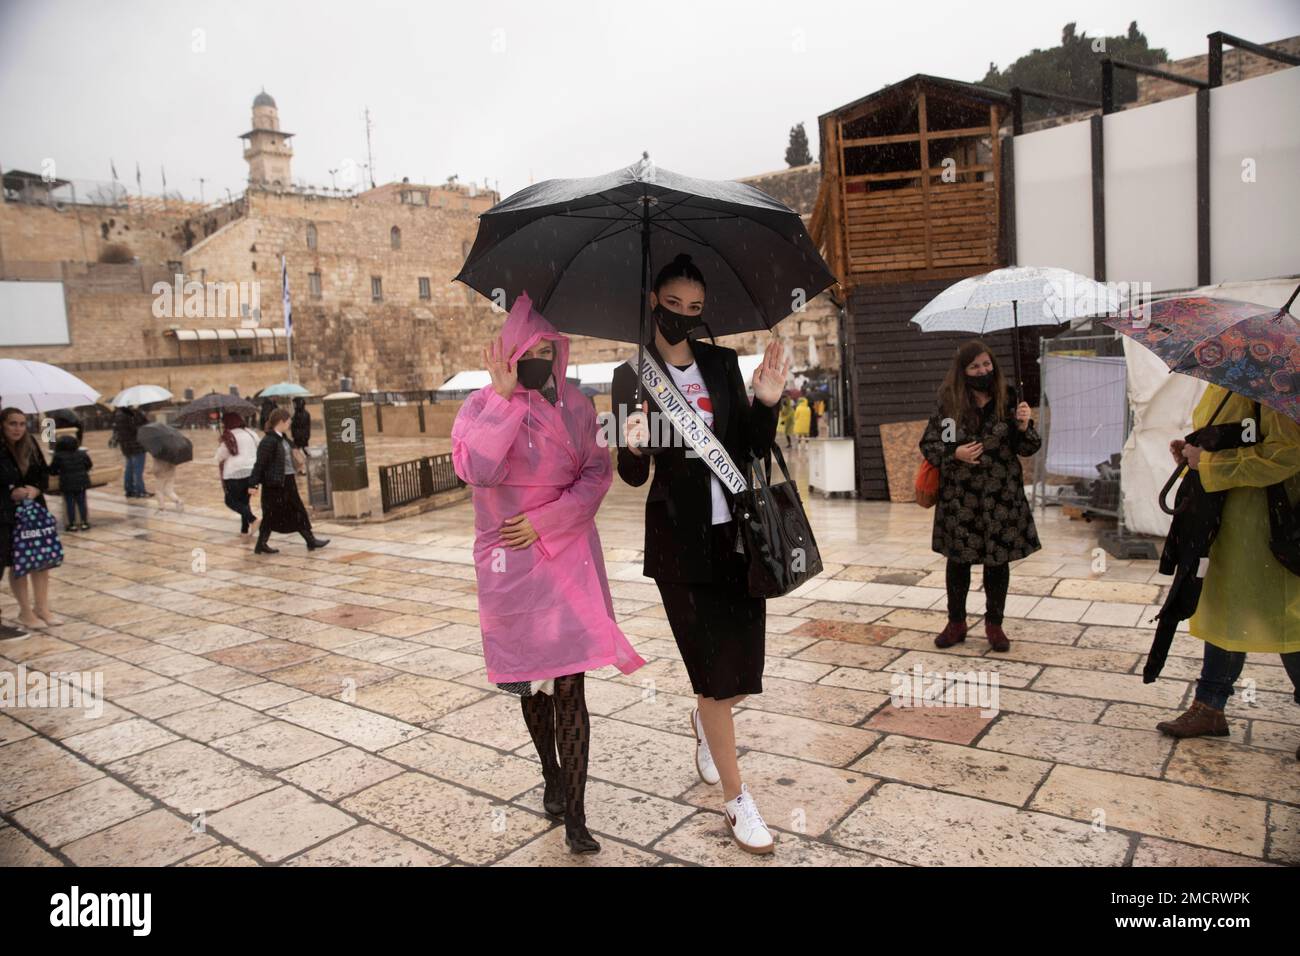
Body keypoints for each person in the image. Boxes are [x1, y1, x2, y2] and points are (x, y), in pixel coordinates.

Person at [452, 292, 644, 855]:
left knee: (570, 683)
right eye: (528, 350)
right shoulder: (478, 406)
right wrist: (506, 401)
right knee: (530, 683)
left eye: (547, 349)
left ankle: (577, 814)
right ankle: (550, 773)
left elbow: (597, 474)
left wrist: (546, 520)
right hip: (509, 568)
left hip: (565, 557)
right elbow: (479, 470)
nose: (539, 358)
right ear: (509, 353)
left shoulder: (579, 409)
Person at [611, 253, 789, 855]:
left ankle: (703, 724)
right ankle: (738, 802)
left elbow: (750, 450)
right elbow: (632, 475)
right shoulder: (629, 376)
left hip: (736, 538)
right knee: (716, 680)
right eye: (674, 306)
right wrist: (634, 446)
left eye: (696, 308)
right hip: (678, 548)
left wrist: (766, 402)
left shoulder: (721, 362)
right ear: (653, 302)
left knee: (744, 672)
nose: (685, 316)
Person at [1155, 384, 1300, 757]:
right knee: (1224, 607)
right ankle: (1210, 706)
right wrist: (1190, 453)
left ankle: (1210, 703)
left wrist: (1208, 463)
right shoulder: (1224, 383)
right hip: (1225, 522)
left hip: (1266, 526)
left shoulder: (1273, 389)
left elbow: (1287, 453)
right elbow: (1226, 439)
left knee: (1285, 619)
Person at [920, 341, 1040, 652]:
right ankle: (956, 623)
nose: (982, 370)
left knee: (997, 562)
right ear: (963, 372)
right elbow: (931, 444)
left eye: (986, 364)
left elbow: (1025, 448)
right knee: (958, 562)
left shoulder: (1009, 399)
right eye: (974, 367)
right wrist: (954, 452)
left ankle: (994, 624)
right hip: (961, 499)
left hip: (1001, 497)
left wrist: (1025, 426)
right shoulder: (950, 404)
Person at [1, 407, 62, 635]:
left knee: (41, 560)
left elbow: (43, 475)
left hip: (35, 510)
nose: (17, 429)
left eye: (21, 424)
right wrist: (11, 492)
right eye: (12, 424)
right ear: (3, 425)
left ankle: (42, 608)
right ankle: (25, 611)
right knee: (19, 561)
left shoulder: (31, 445)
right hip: (10, 514)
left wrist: (35, 489)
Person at [248, 408, 328, 554]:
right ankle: (262, 544)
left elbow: (293, 454)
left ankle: (310, 540)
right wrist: (253, 484)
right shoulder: (268, 441)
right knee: (271, 515)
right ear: (281, 422)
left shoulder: (283, 438)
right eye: (288, 420)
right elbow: (260, 464)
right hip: (275, 485)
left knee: (297, 511)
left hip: (288, 481)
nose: (290, 422)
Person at [214, 411, 260, 535]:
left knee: (230, 501)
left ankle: (253, 519)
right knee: (244, 502)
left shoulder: (229, 436)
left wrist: (221, 444)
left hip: (234, 473)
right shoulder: (251, 433)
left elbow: (220, 457)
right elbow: (259, 447)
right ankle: (244, 531)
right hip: (251, 472)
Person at [49, 433, 93, 531]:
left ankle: (72, 524)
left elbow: (52, 470)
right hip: (81, 482)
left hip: (67, 483)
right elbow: (89, 465)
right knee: (82, 502)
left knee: (70, 503)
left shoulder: (58, 456)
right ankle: (84, 523)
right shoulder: (82, 454)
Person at [112, 404, 151, 498]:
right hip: (136, 445)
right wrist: (141, 416)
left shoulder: (118, 414)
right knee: (138, 470)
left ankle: (129, 490)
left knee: (129, 468)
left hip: (125, 446)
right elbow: (137, 429)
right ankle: (140, 491)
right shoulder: (131, 414)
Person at [290, 396, 311, 474]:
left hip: (300, 437)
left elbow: (300, 425)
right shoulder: (298, 413)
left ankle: (303, 469)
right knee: (300, 453)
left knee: (300, 453)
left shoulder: (302, 414)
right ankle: (302, 468)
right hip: (300, 437)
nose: (294, 405)